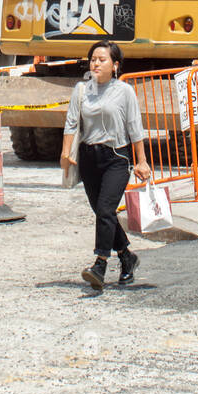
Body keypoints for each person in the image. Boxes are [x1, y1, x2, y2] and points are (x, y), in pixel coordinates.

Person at [61, 41, 151, 291]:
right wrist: (65, 154)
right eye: (93, 59)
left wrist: (142, 161)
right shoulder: (81, 90)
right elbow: (71, 124)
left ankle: (100, 264)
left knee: (105, 210)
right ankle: (127, 258)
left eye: (102, 59)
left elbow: (135, 128)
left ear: (115, 65)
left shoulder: (124, 92)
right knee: (104, 213)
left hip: (116, 158)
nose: (96, 63)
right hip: (90, 158)